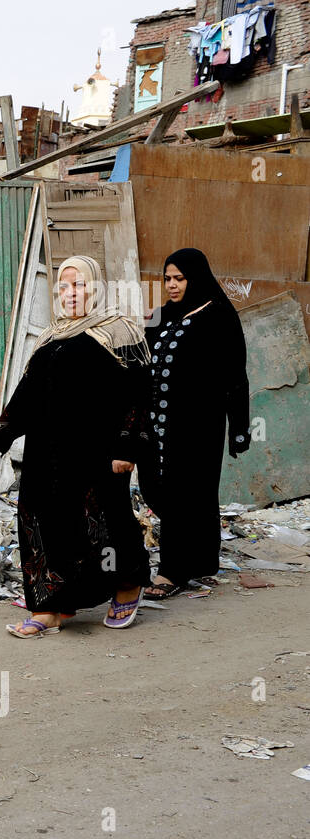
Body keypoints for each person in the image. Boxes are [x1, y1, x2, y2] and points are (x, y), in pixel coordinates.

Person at [0, 255, 151, 636]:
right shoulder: (51, 337)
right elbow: (26, 398)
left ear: (96, 287)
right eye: (65, 286)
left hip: (97, 453)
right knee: (44, 522)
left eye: (80, 285)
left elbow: (139, 395)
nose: (72, 293)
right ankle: (52, 607)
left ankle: (127, 584)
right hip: (48, 453)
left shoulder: (118, 332)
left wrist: (128, 448)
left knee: (106, 523)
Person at [137, 248, 250, 598]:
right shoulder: (162, 315)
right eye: (167, 278)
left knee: (187, 492)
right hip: (159, 422)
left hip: (198, 425)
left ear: (195, 278)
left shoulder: (219, 317)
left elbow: (236, 377)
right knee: (159, 489)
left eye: (179, 279)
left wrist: (240, 428)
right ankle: (201, 560)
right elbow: (139, 355)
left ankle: (173, 570)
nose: (172, 285)